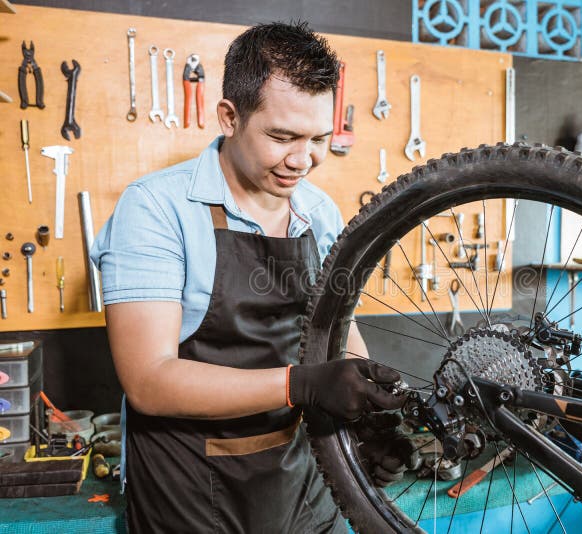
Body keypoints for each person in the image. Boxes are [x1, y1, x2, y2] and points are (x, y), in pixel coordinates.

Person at [91, 22, 407, 533]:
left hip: (306, 490)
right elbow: (148, 380)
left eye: (319, 139)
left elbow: (340, 334)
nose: (303, 160)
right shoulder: (154, 209)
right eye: (282, 137)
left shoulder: (319, 212)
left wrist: (364, 413)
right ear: (230, 117)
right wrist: (302, 384)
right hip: (192, 498)